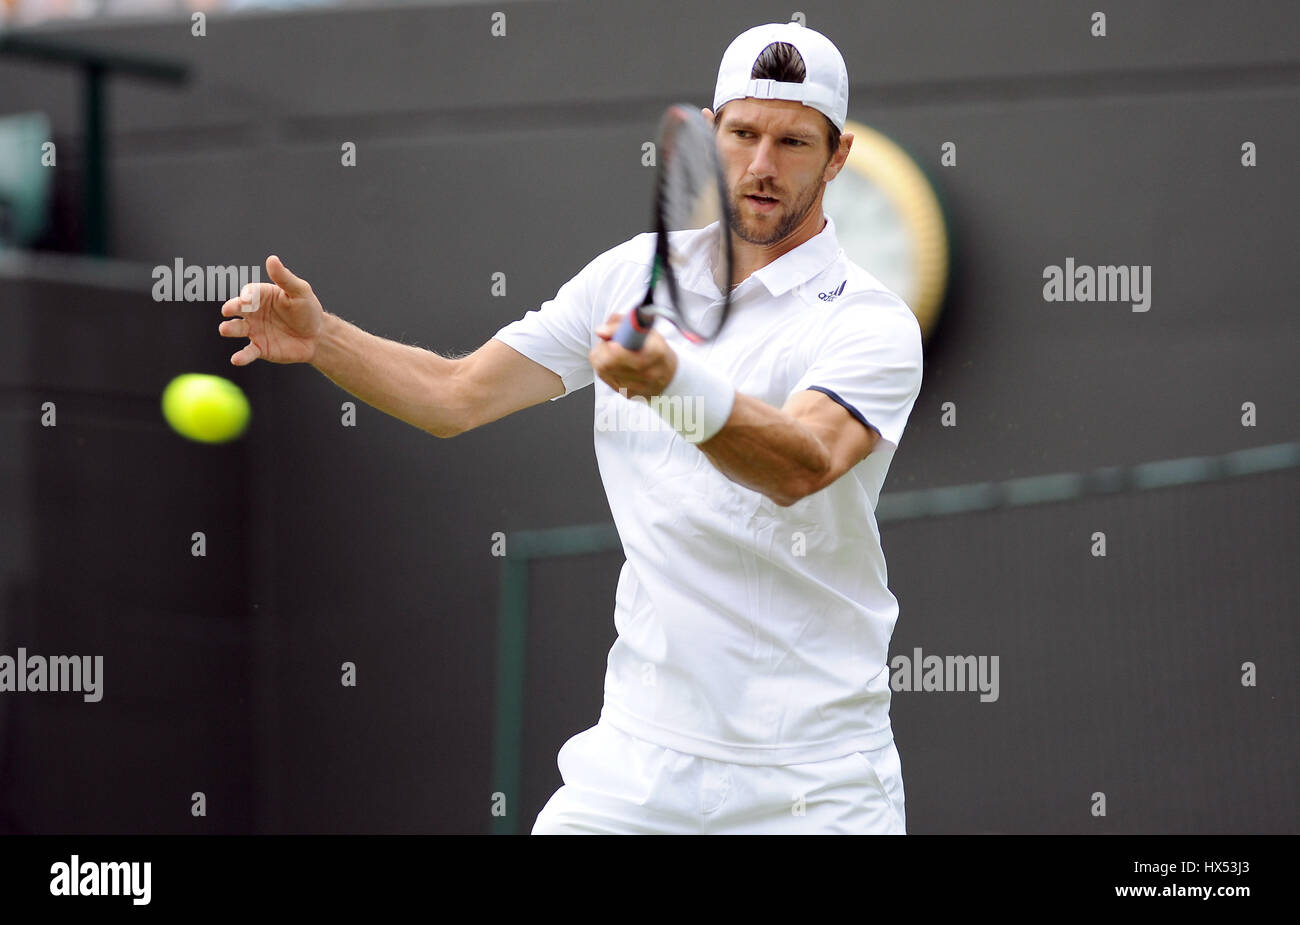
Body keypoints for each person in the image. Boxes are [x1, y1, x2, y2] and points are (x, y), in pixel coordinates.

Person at [219, 22, 923, 834]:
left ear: (839, 157)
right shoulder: (628, 274)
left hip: (814, 779)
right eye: (742, 134)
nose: (762, 165)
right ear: (710, 133)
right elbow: (455, 396)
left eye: (794, 142)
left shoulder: (872, 322)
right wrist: (326, 340)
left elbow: (802, 463)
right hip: (636, 761)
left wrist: (671, 385)